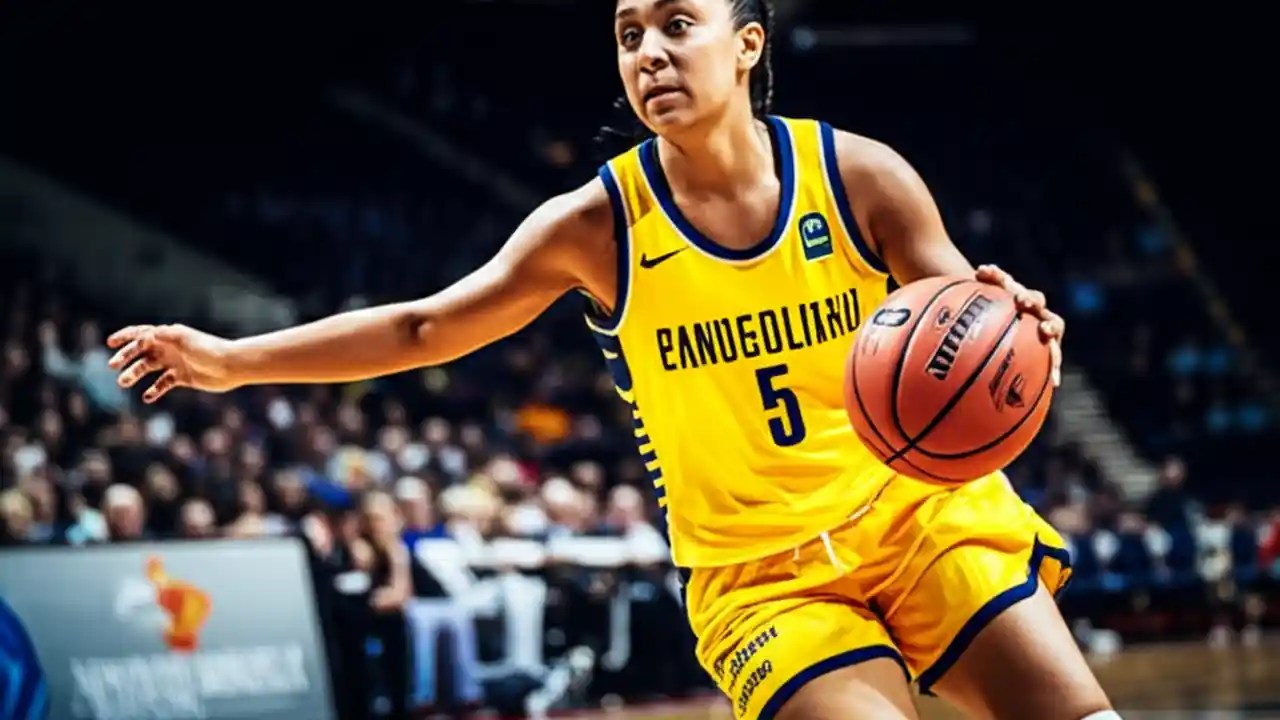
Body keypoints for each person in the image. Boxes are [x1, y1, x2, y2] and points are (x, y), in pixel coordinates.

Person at [104, 1, 1113, 717]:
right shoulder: (596, 225)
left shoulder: (862, 178)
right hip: (758, 575)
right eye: (628, 34)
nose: (649, 53)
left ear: (747, 44)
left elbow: (965, 319)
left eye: (678, 24)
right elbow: (422, 328)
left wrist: (1017, 325)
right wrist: (233, 361)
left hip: (915, 516)